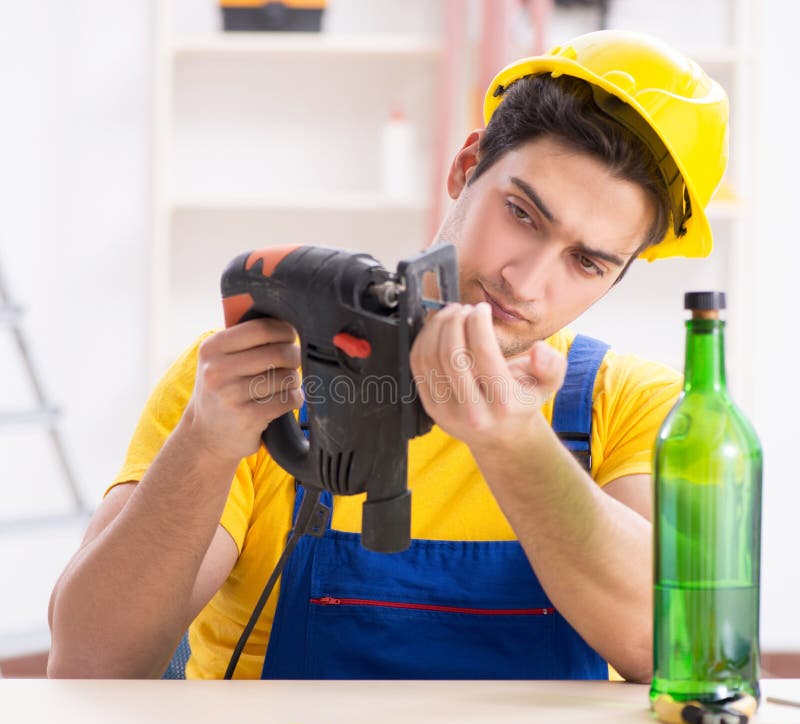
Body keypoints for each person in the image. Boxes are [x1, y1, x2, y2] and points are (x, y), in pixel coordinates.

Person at [47, 30, 729, 681]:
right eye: (522, 214)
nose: (526, 281)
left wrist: (517, 446)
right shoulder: (251, 376)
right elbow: (90, 666)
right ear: (466, 166)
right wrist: (203, 443)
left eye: (586, 261)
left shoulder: (628, 405)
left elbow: (680, 652)